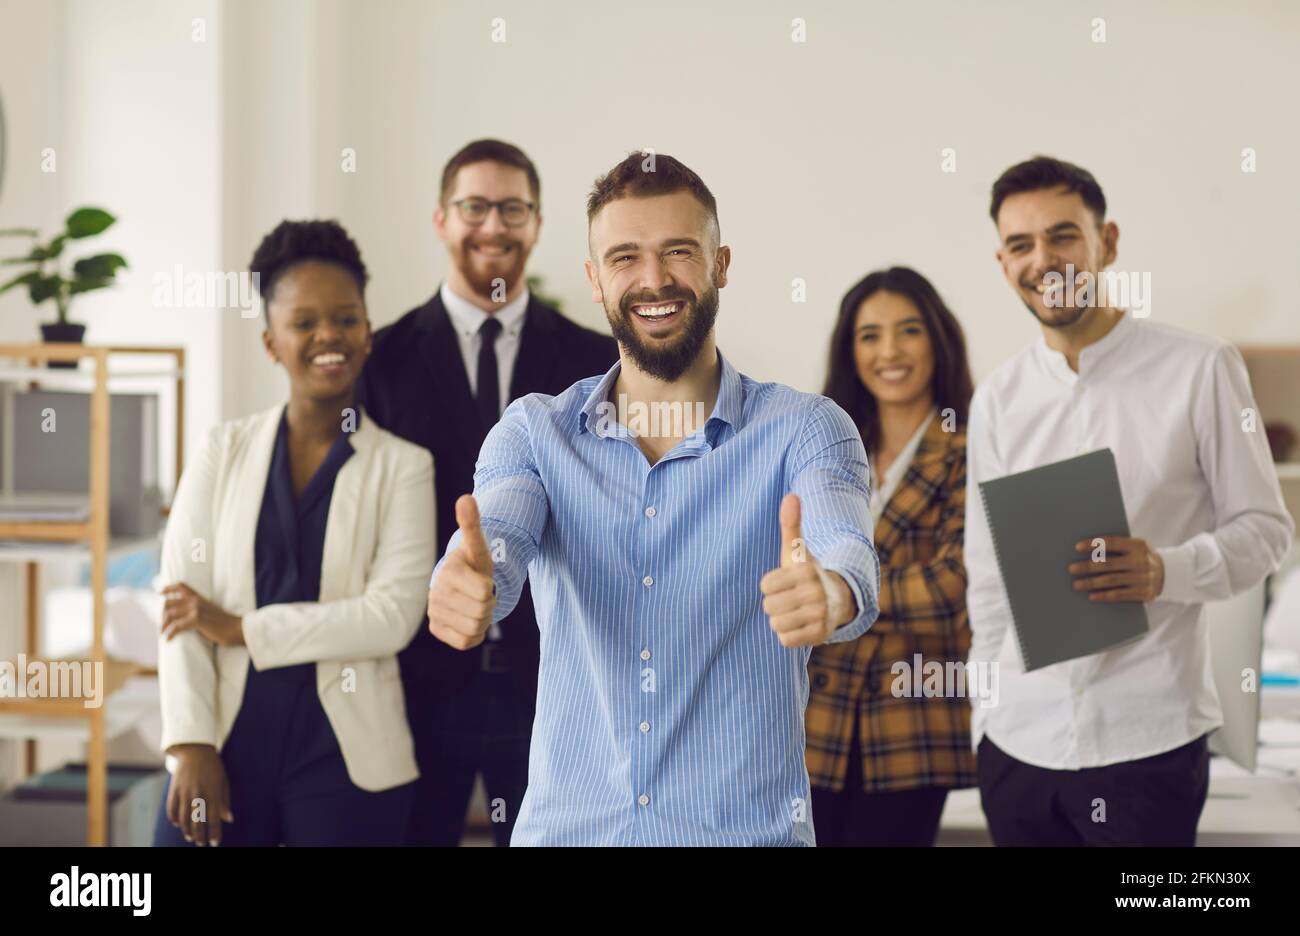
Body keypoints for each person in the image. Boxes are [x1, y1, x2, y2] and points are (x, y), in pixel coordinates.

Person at [425, 151, 881, 846]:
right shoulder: (534, 432)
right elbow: (497, 538)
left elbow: (845, 549)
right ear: (595, 280)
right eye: (625, 257)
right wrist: (469, 578)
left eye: (679, 252)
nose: (654, 279)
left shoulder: (806, 430)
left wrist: (834, 591)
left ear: (721, 263)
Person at [967, 155, 1294, 846]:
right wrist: (984, 720)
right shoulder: (997, 399)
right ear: (1003, 263)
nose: (1043, 260)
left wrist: (1165, 571)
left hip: (1147, 747)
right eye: (1021, 245)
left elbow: (1267, 531)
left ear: (1106, 243)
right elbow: (988, 580)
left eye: (1063, 235)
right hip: (1019, 752)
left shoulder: (1200, 368)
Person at [356, 139, 616, 846]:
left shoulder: (597, 362)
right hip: (416, 677)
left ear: (536, 224)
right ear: (441, 219)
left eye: (512, 209)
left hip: (556, 680)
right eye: (475, 207)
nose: (493, 226)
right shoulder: (380, 360)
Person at [154, 220, 435, 846]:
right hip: (225, 737)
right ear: (271, 343)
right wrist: (191, 741)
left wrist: (239, 628)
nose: (328, 336)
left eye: (346, 318)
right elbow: (179, 608)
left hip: (347, 753)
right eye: (304, 323)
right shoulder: (219, 451)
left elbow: (391, 618)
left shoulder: (405, 467)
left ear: (367, 333)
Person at [806, 266, 976, 846]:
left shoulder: (971, 449)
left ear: (938, 340)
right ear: (850, 351)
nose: (890, 352)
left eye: (909, 331)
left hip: (912, 726)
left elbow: (958, 585)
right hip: (811, 724)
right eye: (869, 335)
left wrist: (837, 594)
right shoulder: (824, 448)